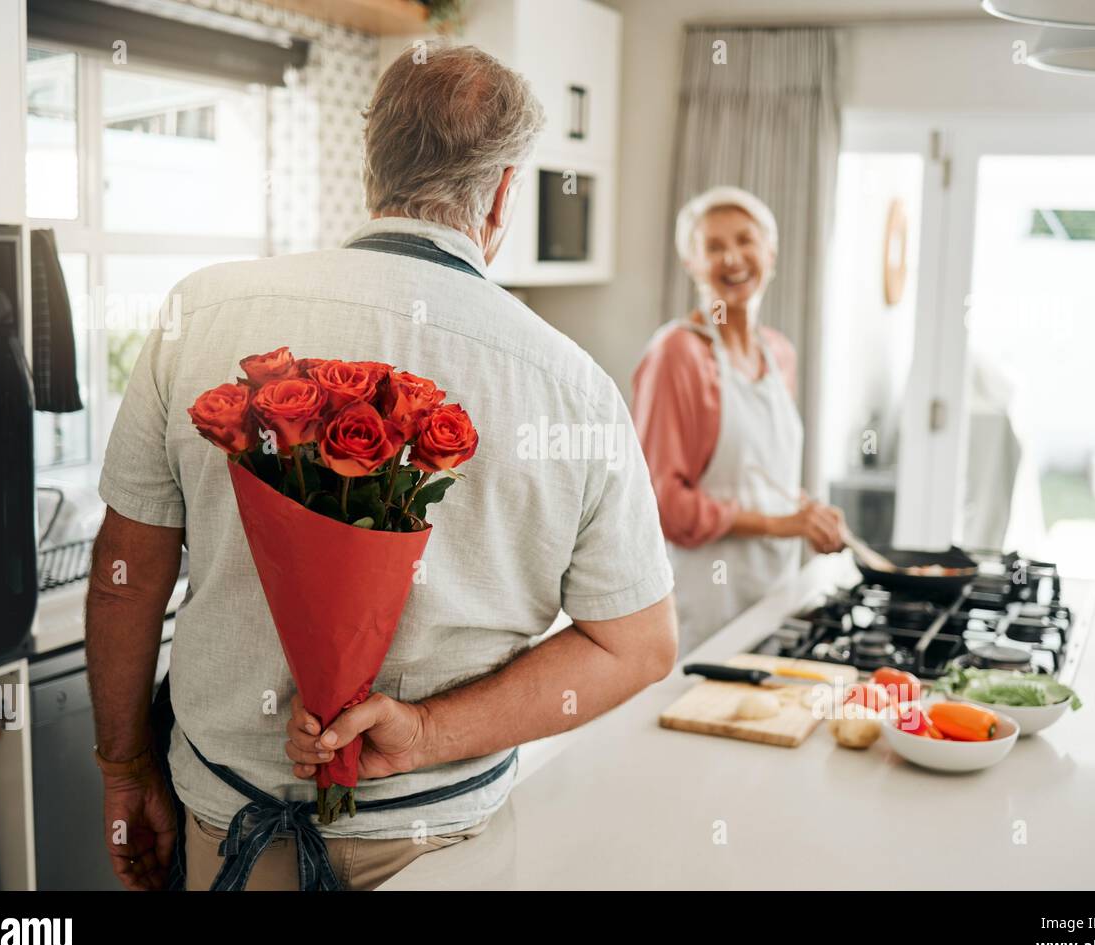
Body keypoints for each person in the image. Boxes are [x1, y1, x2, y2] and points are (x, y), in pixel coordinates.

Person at [86, 41, 677, 892]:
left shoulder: (200, 312)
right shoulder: (573, 385)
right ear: (506, 190)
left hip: (226, 834)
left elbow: (123, 580)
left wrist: (123, 768)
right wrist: (426, 732)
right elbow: (639, 645)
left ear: (372, 162)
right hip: (445, 853)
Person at [632, 186, 844, 655]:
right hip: (706, 600)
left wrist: (807, 512)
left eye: (745, 240)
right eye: (713, 246)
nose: (732, 258)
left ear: (771, 252)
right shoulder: (677, 353)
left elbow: (760, 477)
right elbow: (662, 502)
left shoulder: (780, 352)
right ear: (691, 263)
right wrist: (781, 525)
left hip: (777, 590)